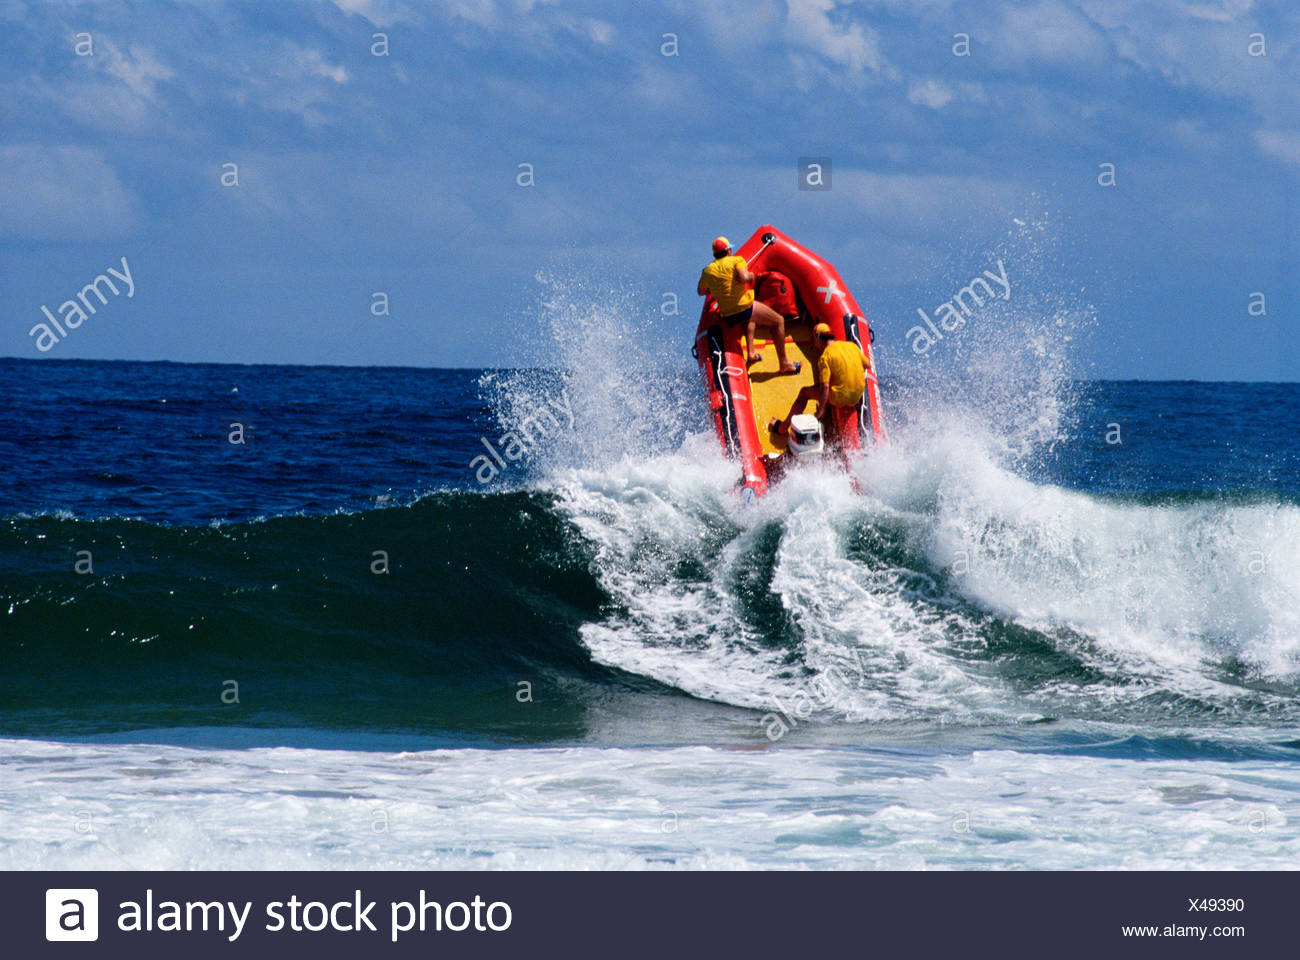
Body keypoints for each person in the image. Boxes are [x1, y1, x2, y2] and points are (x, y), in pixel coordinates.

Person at [698, 237, 798, 373]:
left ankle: (751, 353)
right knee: (778, 321)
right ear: (728, 251)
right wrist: (751, 276)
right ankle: (784, 363)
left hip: (727, 315)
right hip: (743, 308)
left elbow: (701, 291)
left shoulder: (708, 271)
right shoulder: (736, 260)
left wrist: (717, 287)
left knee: (751, 318)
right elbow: (743, 277)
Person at [769, 323, 870, 441]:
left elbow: (825, 387)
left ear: (817, 338)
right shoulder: (851, 346)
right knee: (828, 390)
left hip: (841, 397)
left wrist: (820, 411)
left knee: (804, 393)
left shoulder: (825, 357)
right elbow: (867, 364)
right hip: (857, 396)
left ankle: (782, 427)